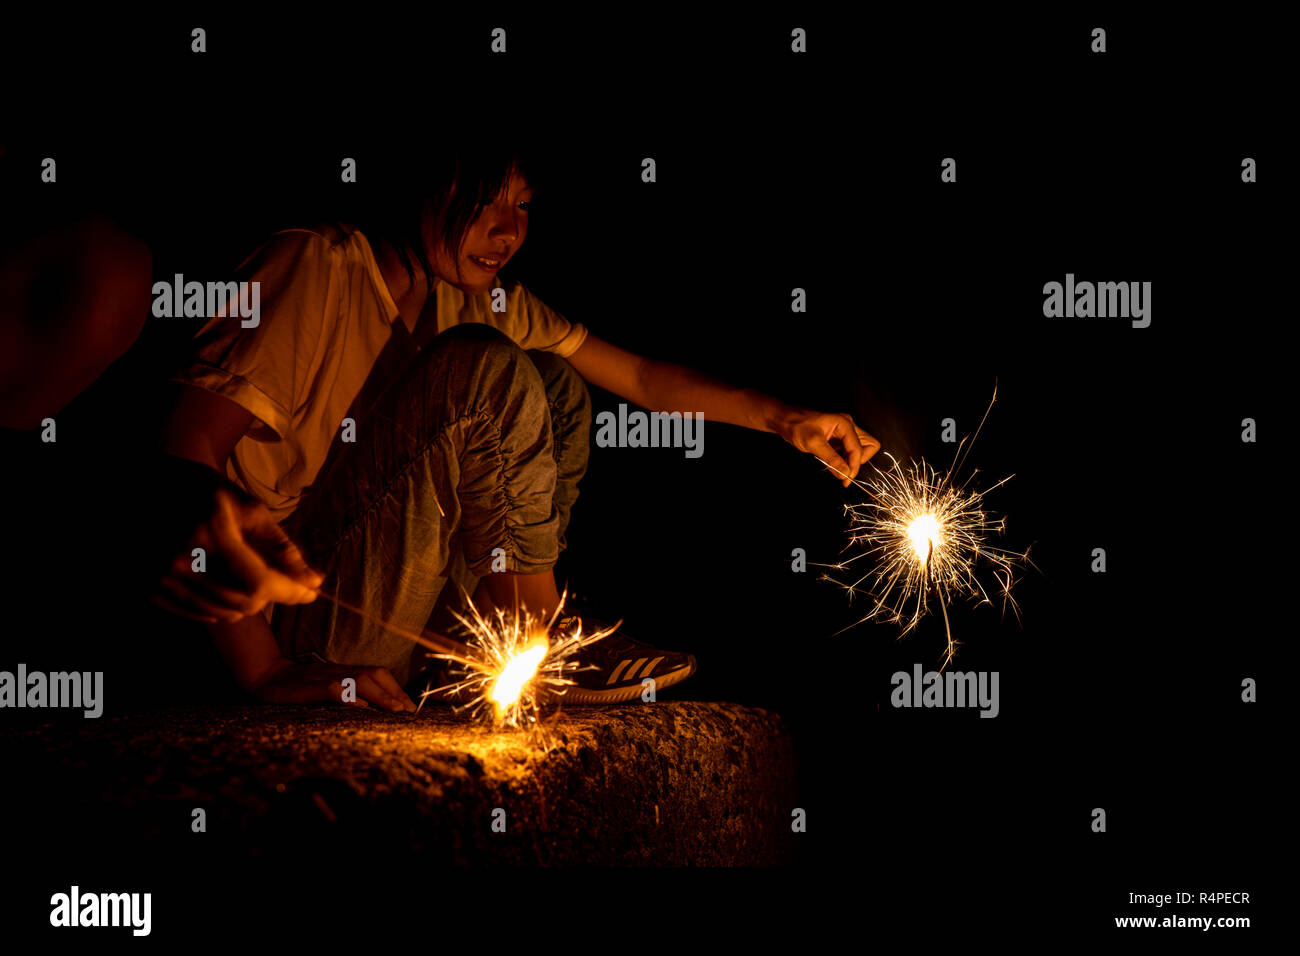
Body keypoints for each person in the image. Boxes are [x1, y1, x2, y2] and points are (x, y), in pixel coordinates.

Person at [153, 143, 881, 711]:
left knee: (556, 383)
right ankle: (543, 639)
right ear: (419, 186)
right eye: (481, 201)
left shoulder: (484, 300)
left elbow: (642, 380)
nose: (506, 230)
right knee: (486, 371)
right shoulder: (318, 264)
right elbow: (186, 446)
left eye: (524, 204)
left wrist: (787, 419)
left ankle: (494, 644)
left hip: (403, 620)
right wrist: (265, 671)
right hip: (302, 614)